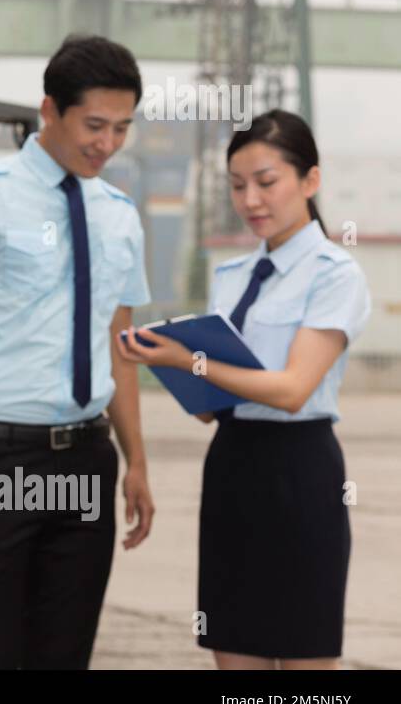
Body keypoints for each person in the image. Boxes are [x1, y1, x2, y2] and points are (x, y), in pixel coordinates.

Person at [0, 34, 156, 669]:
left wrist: (135, 461)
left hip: (86, 455)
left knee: (65, 654)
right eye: (95, 125)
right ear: (50, 110)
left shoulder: (120, 214)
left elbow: (120, 345)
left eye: (122, 128)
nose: (107, 143)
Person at [117, 109, 369, 670]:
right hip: (232, 467)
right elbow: (216, 409)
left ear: (310, 180)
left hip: (301, 473)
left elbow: (292, 390)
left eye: (266, 182)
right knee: (236, 656)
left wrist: (194, 360)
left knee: (305, 667)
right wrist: (167, 362)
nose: (251, 199)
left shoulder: (334, 274)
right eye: (237, 186)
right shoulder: (231, 275)